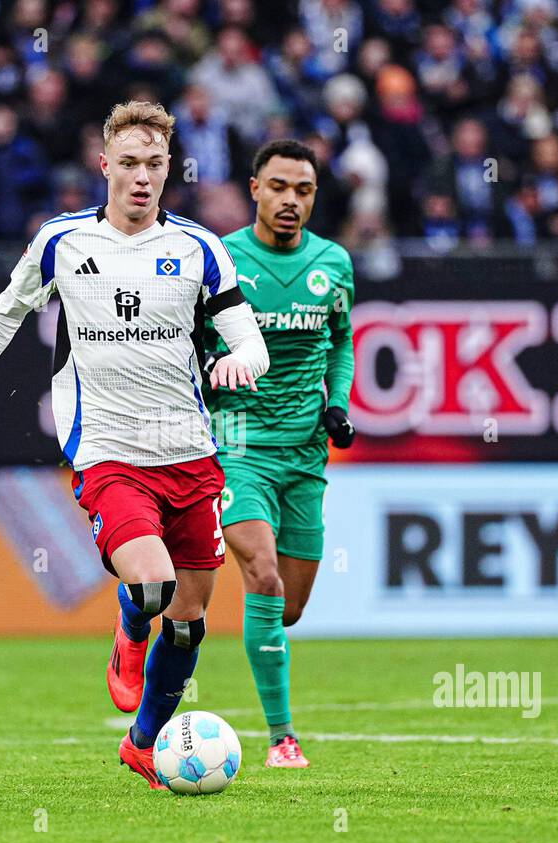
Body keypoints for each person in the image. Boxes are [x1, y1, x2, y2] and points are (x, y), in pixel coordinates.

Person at [0, 101, 269, 789]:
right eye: (129, 163)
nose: (142, 177)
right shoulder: (63, 242)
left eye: (154, 164)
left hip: (190, 453)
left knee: (189, 623)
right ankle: (129, 628)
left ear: (168, 168)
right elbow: (6, 311)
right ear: (104, 166)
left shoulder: (198, 248)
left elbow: (249, 337)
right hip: (110, 452)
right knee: (152, 587)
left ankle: (143, 743)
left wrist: (244, 360)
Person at [203, 138, 355, 768]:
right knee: (262, 570)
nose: (291, 200)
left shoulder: (335, 264)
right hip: (238, 447)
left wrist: (338, 403)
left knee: (287, 607)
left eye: (305, 190)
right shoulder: (223, 260)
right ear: (255, 188)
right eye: (280, 187)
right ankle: (282, 738)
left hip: (304, 457)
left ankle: (253, 610)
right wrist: (215, 368)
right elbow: (194, 346)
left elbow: (342, 340)